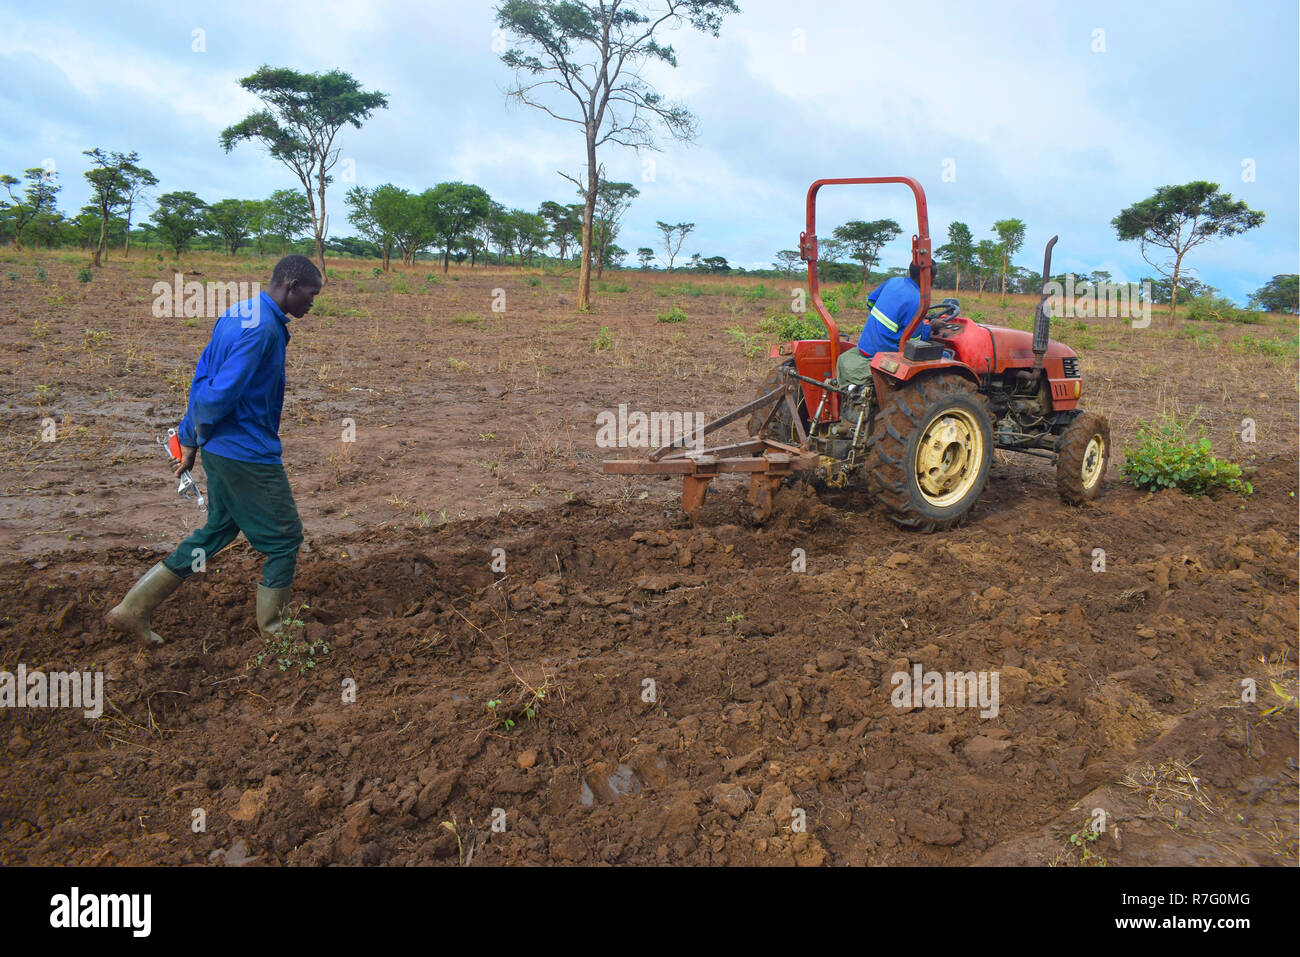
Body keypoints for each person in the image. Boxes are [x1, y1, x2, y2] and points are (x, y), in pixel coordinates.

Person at [106, 254, 322, 644]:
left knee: (218, 530)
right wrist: (191, 434)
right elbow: (218, 394)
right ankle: (276, 632)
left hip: (220, 450)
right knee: (285, 538)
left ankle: (133, 609)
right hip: (246, 455)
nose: (312, 302)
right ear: (291, 286)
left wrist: (190, 437)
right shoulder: (262, 331)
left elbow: (202, 378)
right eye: (311, 293)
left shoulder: (241, 313)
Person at [836, 261, 939, 388]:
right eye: (934, 275)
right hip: (883, 352)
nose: (934, 279)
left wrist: (886, 320)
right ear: (926, 276)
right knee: (942, 356)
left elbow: (871, 302)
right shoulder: (918, 301)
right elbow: (914, 342)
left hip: (865, 345)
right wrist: (930, 328)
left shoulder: (893, 281)